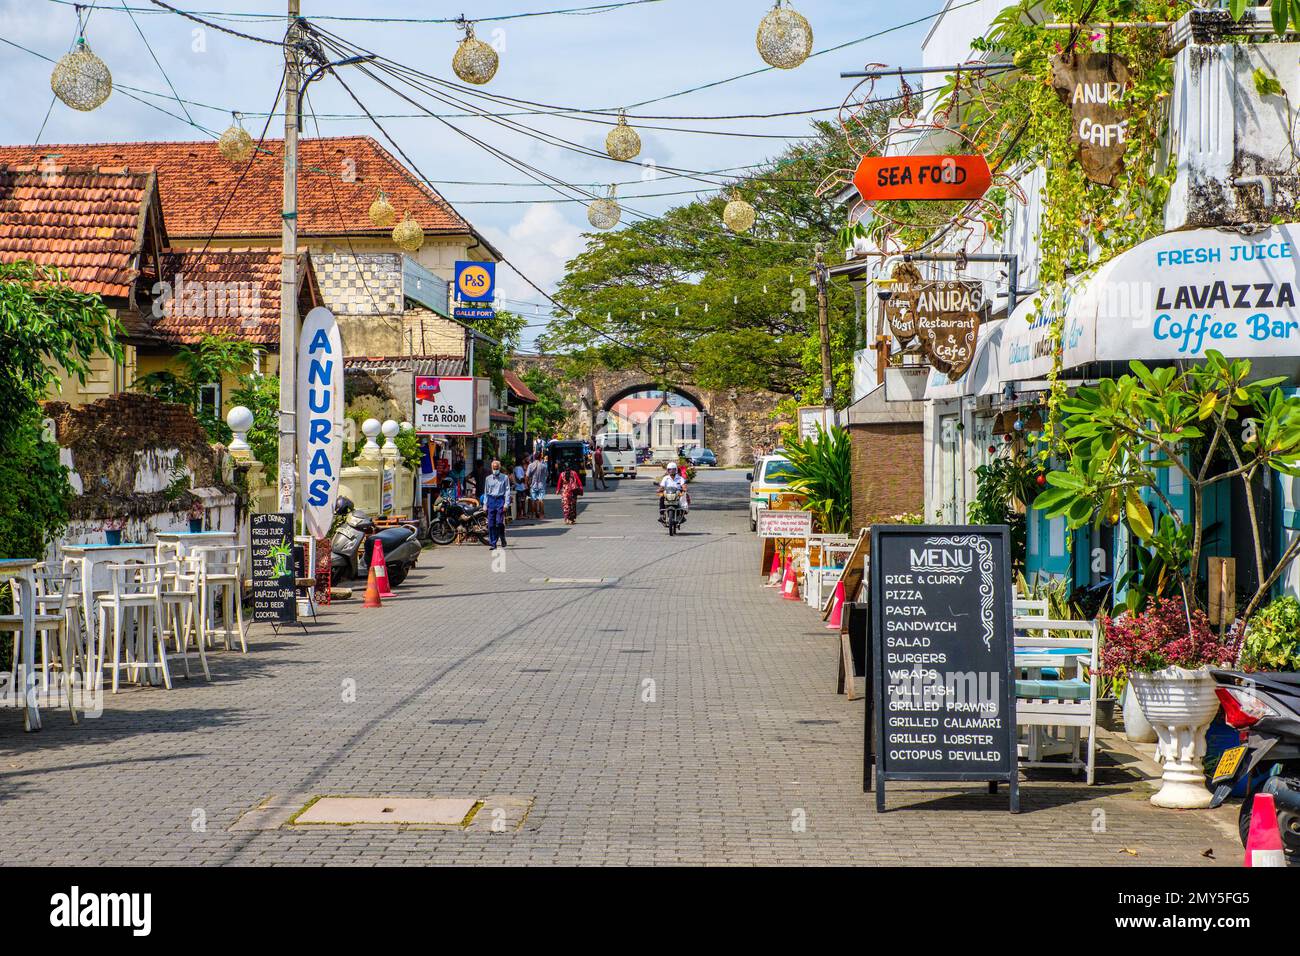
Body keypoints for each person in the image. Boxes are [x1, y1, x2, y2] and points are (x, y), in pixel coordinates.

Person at [483, 459, 511, 548]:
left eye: (497, 468)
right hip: (491, 500)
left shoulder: (505, 477)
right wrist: (485, 504)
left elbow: (507, 491)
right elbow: (486, 492)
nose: (495, 469)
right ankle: (493, 543)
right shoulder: (488, 479)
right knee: (491, 523)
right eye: (494, 468)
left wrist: (506, 504)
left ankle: (502, 537)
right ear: (492, 468)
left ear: (499, 468)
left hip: (500, 500)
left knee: (499, 522)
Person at [657, 461, 687, 525]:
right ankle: (662, 515)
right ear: (667, 470)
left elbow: (683, 485)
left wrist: (684, 488)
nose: (671, 471)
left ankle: (682, 515)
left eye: (673, 469)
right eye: (669, 469)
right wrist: (659, 490)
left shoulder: (680, 478)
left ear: (676, 470)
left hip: (677, 494)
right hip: (667, 493)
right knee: (661, 498)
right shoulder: (665, 478)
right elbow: (662, 486)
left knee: (682, 500)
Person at [526, 452, 548, 519]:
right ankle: (542, 514)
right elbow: (546, 475)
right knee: (541, 500)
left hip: (533, 485)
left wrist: (526, 484)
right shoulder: (543, 466)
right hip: (541, 485)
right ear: (540, 457)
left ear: (534, 457)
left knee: (533, 500)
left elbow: (527, 476)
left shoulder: (531, 465)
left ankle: (534, 515)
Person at [513, 455, 529, 519]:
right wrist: (525, 479)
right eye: (523, 460)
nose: (524, 461)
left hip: (521, 487)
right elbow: (520, 478)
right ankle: (520, 515)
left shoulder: (518, 468)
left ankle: (523, 514)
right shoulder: (518, 468)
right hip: (519, 487)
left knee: (522, 501)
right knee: (520, 501)